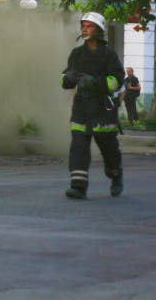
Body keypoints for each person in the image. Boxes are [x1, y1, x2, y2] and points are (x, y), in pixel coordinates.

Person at [60, 11, 125, 199]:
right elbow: (65, 78)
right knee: (79, 147)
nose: (85, 29)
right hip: (81, 108)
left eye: (89, 26)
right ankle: (78, 186)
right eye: (83, 26)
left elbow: (117, 80)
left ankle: (115, 174)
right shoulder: (77, 54)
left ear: (98, 30)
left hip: (103, 109)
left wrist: (95, 82)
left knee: (109, 148)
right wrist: (67, 78)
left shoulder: (108, 55)